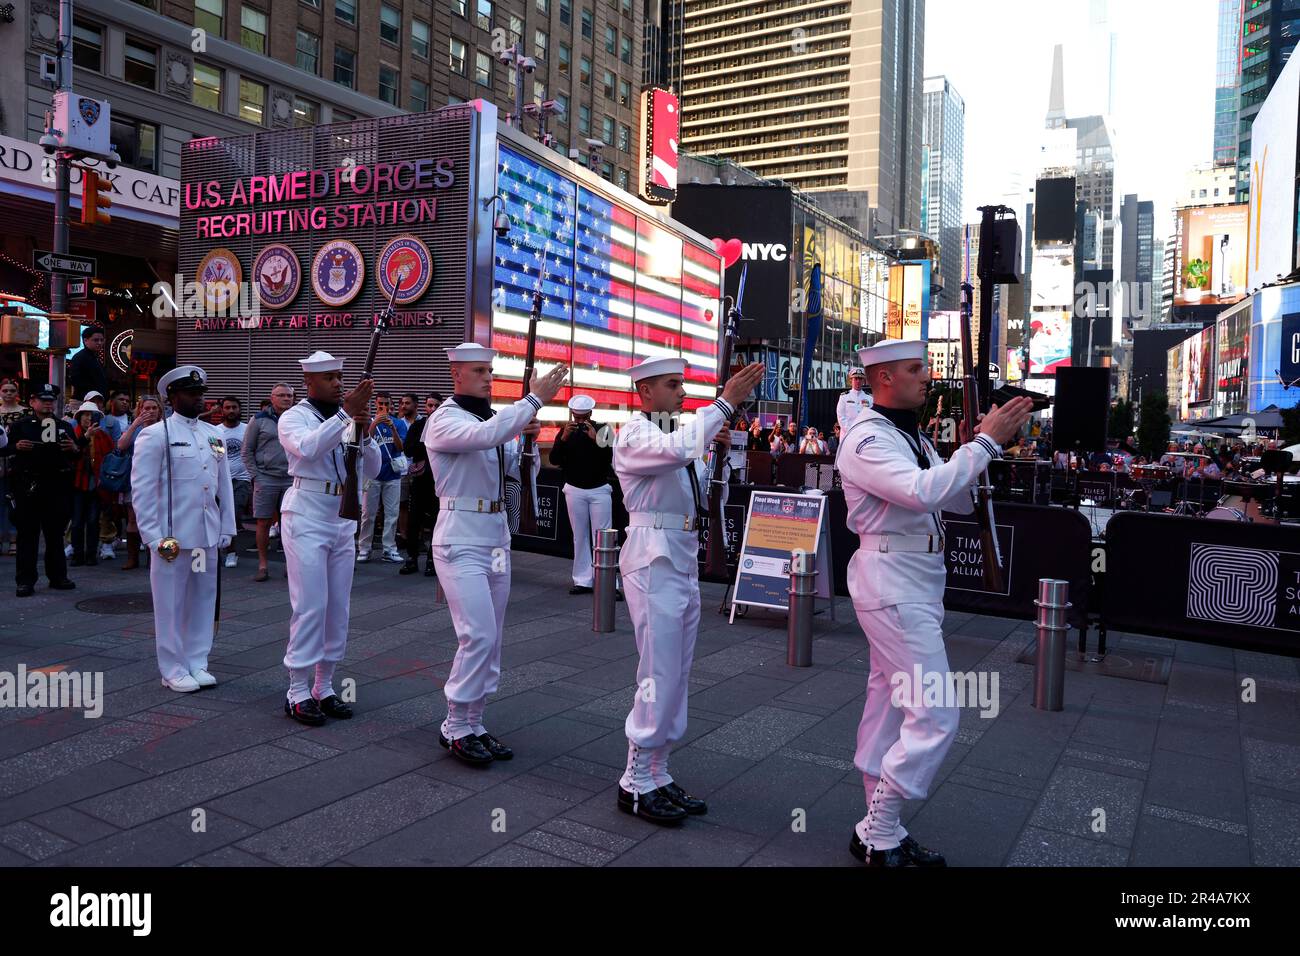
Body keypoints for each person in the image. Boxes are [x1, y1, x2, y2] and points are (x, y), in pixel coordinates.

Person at [836, 339, 1033, 866]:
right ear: (883, 379)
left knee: (887, 703)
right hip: (893, 582)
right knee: (935, 712)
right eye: (915, 368)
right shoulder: (867, 440)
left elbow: (951, 496)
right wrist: (984, 445)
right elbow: (922, 493)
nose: (927, 376)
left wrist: (975, 449)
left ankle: (880, 828)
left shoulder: (909, 436)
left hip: (914, 580)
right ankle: (878, 826)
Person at [611, 356, 764, 824]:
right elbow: (676, 451)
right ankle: (635, 781)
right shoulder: (635, 433)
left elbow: (703, 493)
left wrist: (717, 454)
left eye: (681, 385)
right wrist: (724, 403)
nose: (681, 392)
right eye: (672, 385)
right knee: (657, 670)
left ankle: (658, 770)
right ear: (645, 393)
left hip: (679, 555)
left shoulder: (674, 437)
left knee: (676, 671)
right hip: (653, 556)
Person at [423, 343, 567, 764]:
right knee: (478, 633)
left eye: (490, 369)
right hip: (460, 537)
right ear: (457, 376)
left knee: (495, 636)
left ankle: (476, 719)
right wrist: (533, 399)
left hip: (495, 537)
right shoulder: (445, 419)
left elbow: (515, 470)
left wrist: (527, 448)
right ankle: (454, 723)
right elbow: (483, 437)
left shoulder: (494, 420)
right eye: (479, 370)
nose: (488, 377)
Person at [279, 352, 381, 725]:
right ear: (310, 382)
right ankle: (297, 690)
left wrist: (364, 435)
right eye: (330, 378)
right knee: (311, 604)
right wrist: (344, 417)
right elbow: (307, 448)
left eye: (340, 376)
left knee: (338, 606)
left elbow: (375, 469)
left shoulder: (348, 417)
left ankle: (324, 686)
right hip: (306, 510)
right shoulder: (294, 416)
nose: (339, 383)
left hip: (342, 513)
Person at [132, 367, 236, 693]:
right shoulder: (155, 435)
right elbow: (143, 490)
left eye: (199, 393)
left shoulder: (212, 434)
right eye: (190, 394)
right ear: (172, 397)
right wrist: (152, 537)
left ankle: (197, 661)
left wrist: (227, 526)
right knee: (170, 603)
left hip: (204, 535)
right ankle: (172, 667)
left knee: (203, 600)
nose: (197, 398)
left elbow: (224, 485)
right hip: (172, 539)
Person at [8, 384, 79, 597]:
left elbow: (76, 452)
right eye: (43, 399)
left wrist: (73, 449)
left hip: (55, 486)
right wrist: (17, 447)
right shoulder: (20, 425)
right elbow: (6, 448)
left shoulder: (63, 426)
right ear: (32, 402)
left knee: (55, 535)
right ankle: (25, 580)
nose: (48, 403)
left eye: (51, 400)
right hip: (28, 485)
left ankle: (58, 576)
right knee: (27, 535)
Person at [549, 393, 617, 596]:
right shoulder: (565, 432)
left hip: (599, 488)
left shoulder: (604, 429)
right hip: (574, 488)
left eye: (583, 417)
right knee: (579, 536)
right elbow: (554, 459)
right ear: (571, 414)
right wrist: (563, 439)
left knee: (604, 537)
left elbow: (614, 459)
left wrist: (597, 440)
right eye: (576, 418)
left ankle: (608, 582)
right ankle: (582, 580)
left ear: (590, 414)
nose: (579, 422)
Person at [243, 383, 294, 582]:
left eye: (289, 396)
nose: (286, 399)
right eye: (281, 395)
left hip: (291, 478)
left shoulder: (298, 418)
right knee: (263, 522)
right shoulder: (258, 420)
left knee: (290, 524)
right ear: (272, 398)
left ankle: (291, 565)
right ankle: (263, 565)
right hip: (266, 477)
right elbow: (247, 450)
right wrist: (255, 475)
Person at [357, 390, 407, 564]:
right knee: (368, 514)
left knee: (392, 514)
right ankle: (364, 548)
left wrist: (392, 429)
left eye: (386, 404)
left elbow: (401, 447)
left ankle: (389, 549)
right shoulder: (369, 422)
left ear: (391, 405)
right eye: (380, 404)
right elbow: (362, 442)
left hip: (392, 474)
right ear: (375, 404)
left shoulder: (399, 423)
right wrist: (374, 424)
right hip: (371, 475)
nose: (383, 407)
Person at [117, 396, 162, 571]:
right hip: (136, 479)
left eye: (153, 408)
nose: (150, 411)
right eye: (146, 408)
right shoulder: (135, 428)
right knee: (133, 518)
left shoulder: (165, 429)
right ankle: (132, 558)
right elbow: (121, 446)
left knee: (158, 519)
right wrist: (135, 425)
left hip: (159, 480)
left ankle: (155, 557)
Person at [401, 390, 443, 576]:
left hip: (438, 481)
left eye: (436, 405)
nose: (432, 408)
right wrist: (427, 444)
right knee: (414, 519)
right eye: (429, 405)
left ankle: (432, 560)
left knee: (436, 521)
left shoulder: (445, 425)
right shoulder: (418, 425)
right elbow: (408, 449)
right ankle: (411, 558)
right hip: (419, 479)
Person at [69, 408, 113, 566]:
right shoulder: (73, 432)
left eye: (91, 415)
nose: (88, 418)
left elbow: (109, 458)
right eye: (85, 415)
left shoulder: (103, 436)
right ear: (79, 417)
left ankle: (91, 554)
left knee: (94, 520)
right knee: (76, 522)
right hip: (77, 482)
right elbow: (70, 454)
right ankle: (77, 553)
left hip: (96, 483)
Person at [217, 396, 251, 568]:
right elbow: (214, 456)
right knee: (216, 517)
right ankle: (219, 551)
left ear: (240, 409)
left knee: (234, 514)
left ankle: (231, 553)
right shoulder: (215, 431)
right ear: (222, 410)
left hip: (242, 480)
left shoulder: (247, 429)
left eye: (234, 407)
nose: (231, 411)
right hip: (219, 481)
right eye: (228, 407)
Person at [0, 378, 25, 556]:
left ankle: (15, 538)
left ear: (17, 393)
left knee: (15, 503)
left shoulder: (25, 412)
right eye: (5, 390)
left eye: (12, 390)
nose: (8, 393)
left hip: (17, 461)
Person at [67, 326, 110, 401]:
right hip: (84, 402)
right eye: (96, 340)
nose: (100, 343)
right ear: (85, 340)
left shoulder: (95, 358)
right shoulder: (80, 357)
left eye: (102, 340)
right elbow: (76, 380)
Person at [837, 366, 873, 432]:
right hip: (847, 433)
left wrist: (865, 429)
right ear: (851, 380)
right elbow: (841, 416)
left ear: (863, 381)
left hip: (864, 432)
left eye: (860, 379)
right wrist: (851, 430)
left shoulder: (869, 398)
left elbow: (871, 416)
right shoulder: (844, 397)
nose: (858, 381)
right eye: (856, 378)